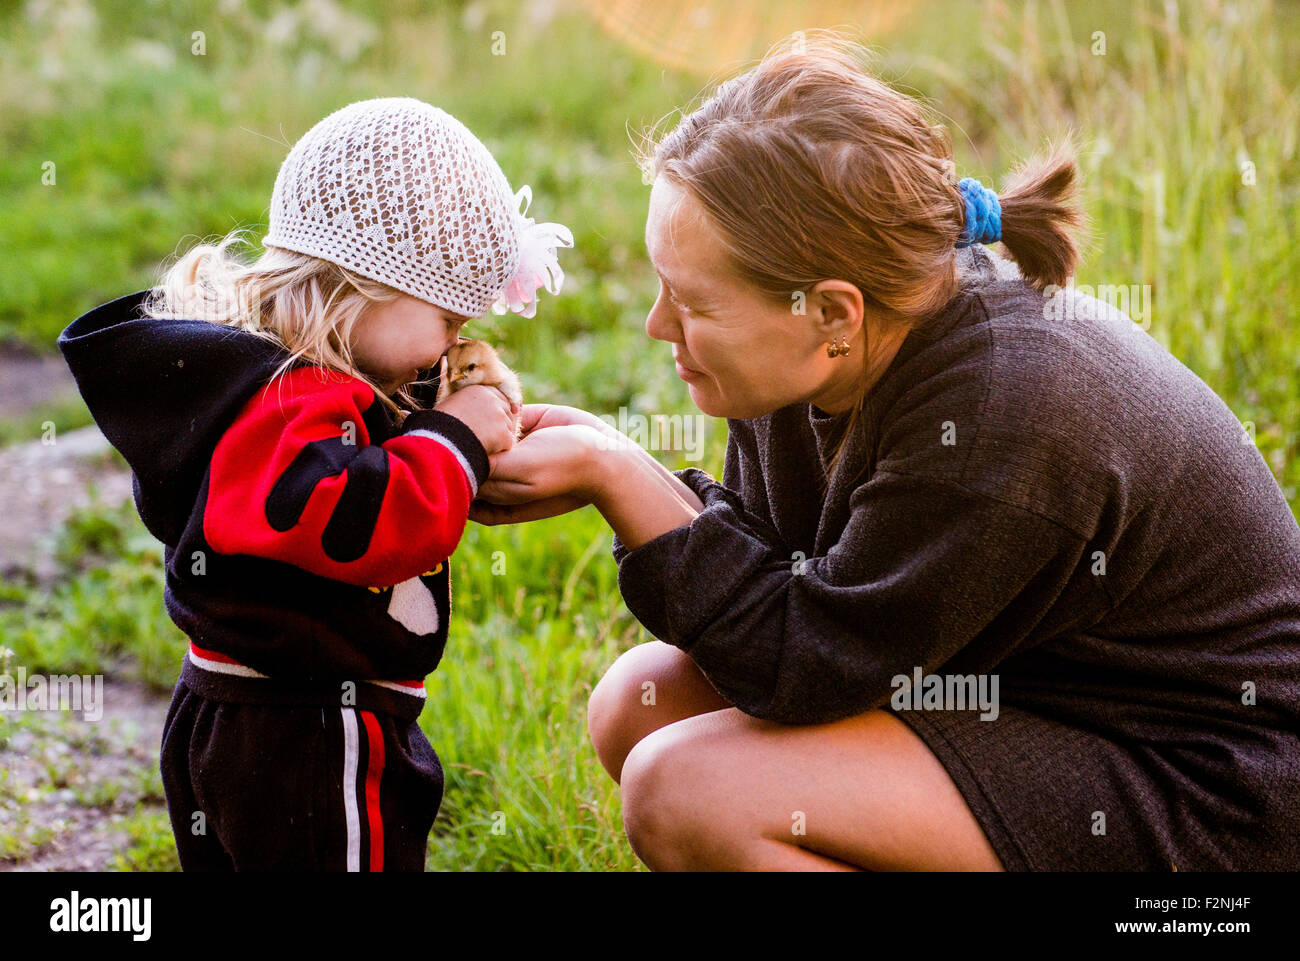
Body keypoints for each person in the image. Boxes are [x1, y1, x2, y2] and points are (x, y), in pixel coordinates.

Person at [469, 38, 1300, 871]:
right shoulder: (820, 354)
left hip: (1207, 779)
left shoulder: (998, 414)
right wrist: (617, 462)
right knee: (638, 705)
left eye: (690, 301)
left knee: (683, 790)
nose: (657, 326)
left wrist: (618, 475)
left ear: (831, 312)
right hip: (1026, 693)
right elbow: (788, 586)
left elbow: (811, 665)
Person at [57, 97, 572, 871]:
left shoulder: (271, 388)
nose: (452, 345)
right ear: (365, 286)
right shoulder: (290, 404)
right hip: (308, 728)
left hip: (241, 708)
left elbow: (354, 449)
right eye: (448, 320)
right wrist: (455, 440)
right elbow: (358, 519)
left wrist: (443, 421)